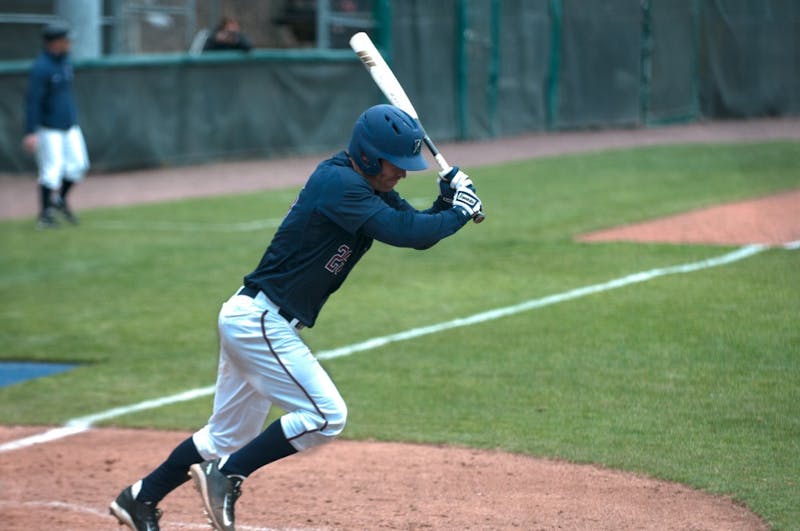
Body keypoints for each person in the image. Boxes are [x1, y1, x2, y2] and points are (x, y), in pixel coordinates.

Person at [108, 104, 483, 531]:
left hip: (252, 318)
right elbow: (406, 233)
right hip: (260, 322)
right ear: (367, 155)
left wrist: (448, 201)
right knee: (326, 415)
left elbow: (415, 227)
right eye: (395, 164)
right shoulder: (340, 183)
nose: (402, 173)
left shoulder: (367, 186)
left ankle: (140, 498)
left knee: (224, 437)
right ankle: (227, 475)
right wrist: (459, 211)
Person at [23, 21, 89, 229]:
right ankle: (44, 216)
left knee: (79, 165)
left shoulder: (65, 62)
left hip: (69, 125)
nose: (69, 43)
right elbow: (33, 101)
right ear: (55, 42)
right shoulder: (42, 67)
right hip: (48, 128)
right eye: (65, 40)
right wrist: (30, 132)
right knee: (51, 172)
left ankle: (58, 200)